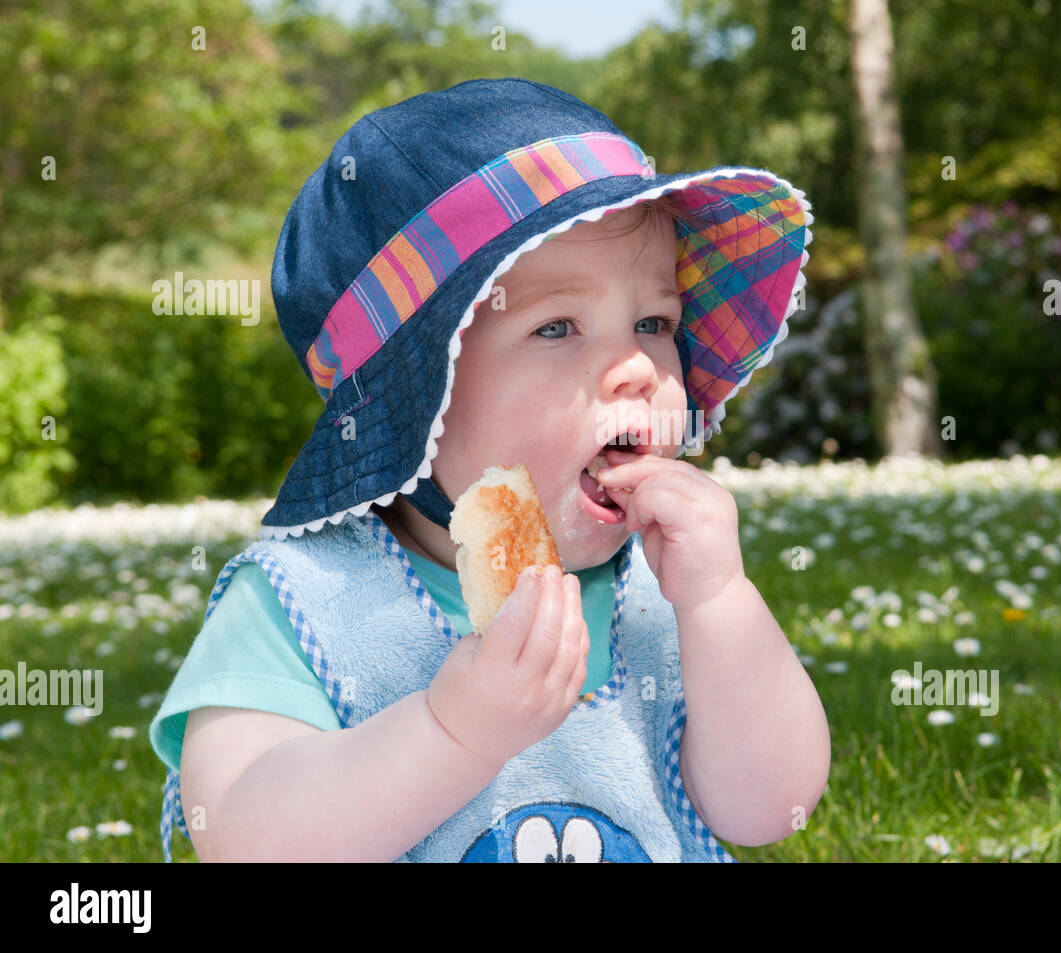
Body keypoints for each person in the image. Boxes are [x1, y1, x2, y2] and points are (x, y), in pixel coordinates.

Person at [148, 78, 829, 862]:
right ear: (416, 404)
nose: (636, 367)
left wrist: (720, 601)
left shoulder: (665, 595)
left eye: (654, 321)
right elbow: (240, 835)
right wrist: (451, 732)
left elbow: (771, 807)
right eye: (558, 327)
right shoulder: (307, 602)